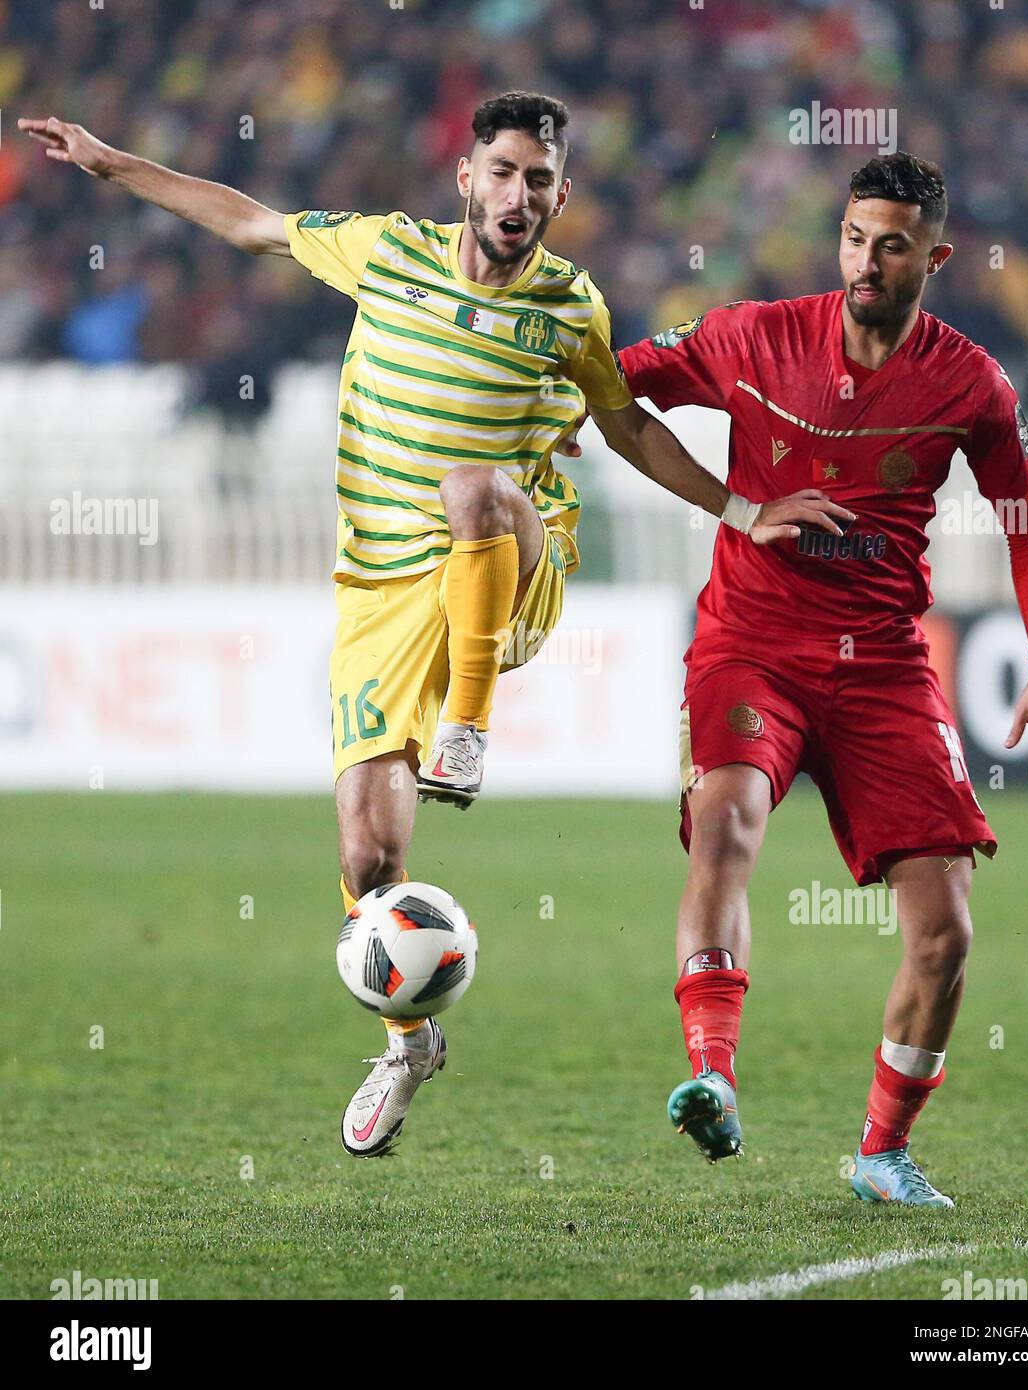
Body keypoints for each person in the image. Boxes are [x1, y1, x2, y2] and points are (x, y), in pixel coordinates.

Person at [20, 92, 846, 1158]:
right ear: (466, 178)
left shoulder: (569, 307)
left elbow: (626, 425)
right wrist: (112, 163)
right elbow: (251, 221)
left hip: (514, 564)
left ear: (560, 194)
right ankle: (409, 1041)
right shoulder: (385, 253)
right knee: (369, 863)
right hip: (382, 591)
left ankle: (469, 723)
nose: (520, 195)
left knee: (476, 487)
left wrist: (742, 509)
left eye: (540, 180)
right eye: (502, 172)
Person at [617, 152, 1028, 1206]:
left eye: (895, 244)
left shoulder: (972, 382)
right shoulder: (752, 334)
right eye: (857, 239)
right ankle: (712, 1077)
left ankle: (883, 1149)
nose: (870, 260)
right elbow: (614, 386)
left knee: (947, 928)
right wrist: (733, 509)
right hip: (749, 644)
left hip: (884, 668)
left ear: (936, 256)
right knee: (725, 821)